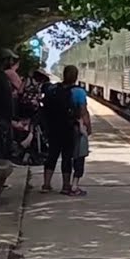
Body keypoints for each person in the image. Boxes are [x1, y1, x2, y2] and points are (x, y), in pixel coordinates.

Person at [41, 65, 92, 196]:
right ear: (76, 77)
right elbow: (83, 111)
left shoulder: (53, 89)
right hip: (69, 128)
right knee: (67, 157)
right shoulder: (78, 92)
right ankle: (65, 186)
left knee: (52, 155)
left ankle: (46, 185)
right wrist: (88, 127)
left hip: (53, 127)